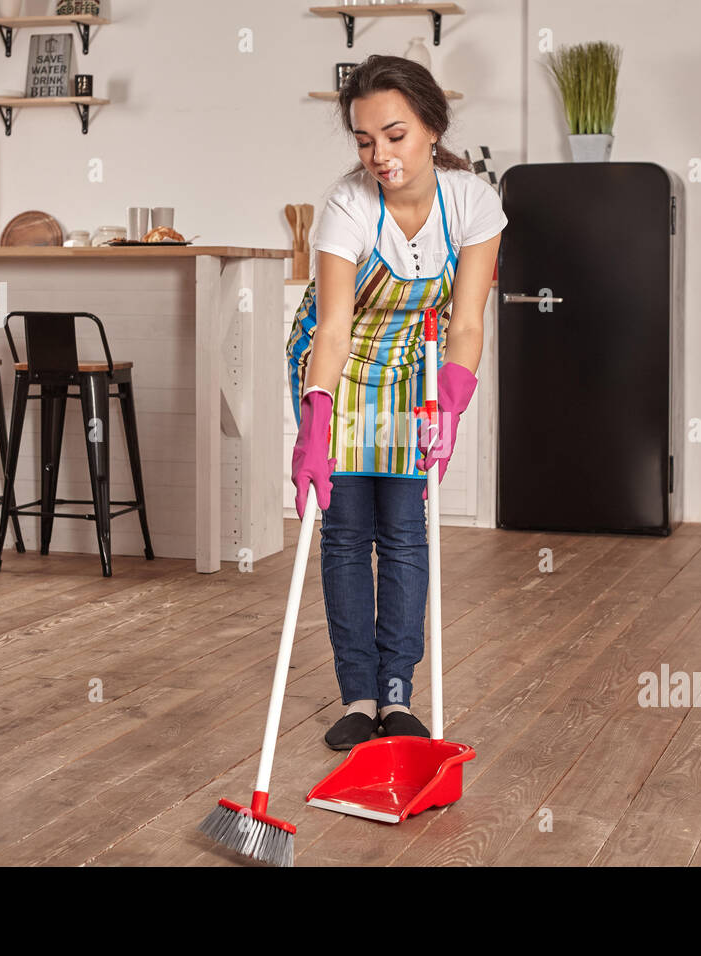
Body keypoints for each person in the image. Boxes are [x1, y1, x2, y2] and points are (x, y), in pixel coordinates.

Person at [285, 55, 507, 750]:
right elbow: (334, 327)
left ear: (432, 128)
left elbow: (467, 323)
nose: (379, 155)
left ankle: (397, 695)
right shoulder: (349, 205)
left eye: (395, 135)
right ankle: (357, 696)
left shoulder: (472, 203)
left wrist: (454, 401)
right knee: (347, 531)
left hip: (417, 366)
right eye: (363, 140)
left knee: (405, 534)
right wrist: (315, 422)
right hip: (337, 368)